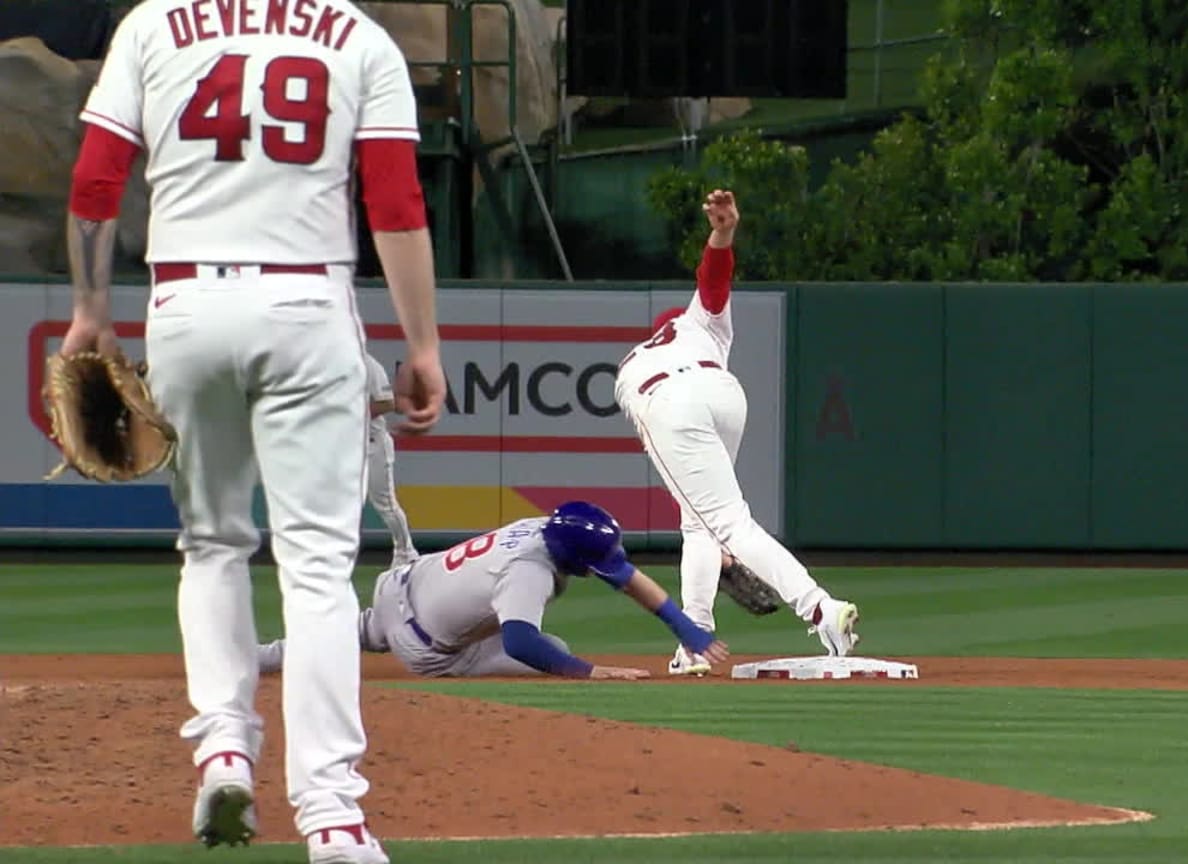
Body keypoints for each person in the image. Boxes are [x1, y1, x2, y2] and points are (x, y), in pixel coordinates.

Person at [62, 3, 447, 862]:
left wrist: (91, 308)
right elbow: (394, 201)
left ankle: (225, 750)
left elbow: (96, 180)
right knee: (316, 571)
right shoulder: (357, 36)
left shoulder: (154, 25)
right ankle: (333, 817)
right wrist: (423, 344)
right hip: (307, 304)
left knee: (212, 546)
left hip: (186, 307)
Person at [614, 189, 861, 676]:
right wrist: (723, 232)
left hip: (666, 401)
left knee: (727, 524)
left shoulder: (637, 359)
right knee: (701, 522)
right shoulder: (702, 325)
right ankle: (694, 641)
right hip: (725, 393)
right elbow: (713, 279)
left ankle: (821, 609)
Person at [256, 502, 728, 680]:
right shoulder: (531, 571)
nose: (610, 569)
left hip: (399, 586)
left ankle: (253, 658)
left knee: (347, 636)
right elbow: (522, 642)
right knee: (554, 649)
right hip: (427, 649)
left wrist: (688, 630)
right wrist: (589, 671)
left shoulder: (545, 528)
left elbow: (627, 579)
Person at [364, 353, 419, 568]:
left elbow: (387, 402)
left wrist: (353, 414)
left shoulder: (368, 364)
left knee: (385, 503)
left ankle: (406, 551)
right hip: (346, 445)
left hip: (373, 444)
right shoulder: (328, 363)